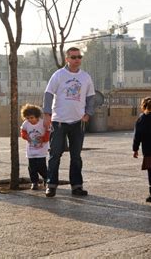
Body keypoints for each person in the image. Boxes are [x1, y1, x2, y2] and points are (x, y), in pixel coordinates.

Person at [43, 47, 95, 198]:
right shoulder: (59, 75)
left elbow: (91, 97)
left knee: (76, 157)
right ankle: (51, 185)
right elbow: (48, 94)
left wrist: (88, 114)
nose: (77, 59)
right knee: (55, 155)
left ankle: (77, 186)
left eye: (79, 57)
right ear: (67, 59)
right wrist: (47, 114)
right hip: (59, 121)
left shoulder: (85, 77)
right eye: (73, 57)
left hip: (78, 122)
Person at [20, 104, 50, 190]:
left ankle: (46, 178)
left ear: (37, 116)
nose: (30, 120)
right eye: (27, 118)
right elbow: (23, 131)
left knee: (41, 167)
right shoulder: (26, 123)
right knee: (32, 168)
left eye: (32, 118)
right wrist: (26, 136)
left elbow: (48, 132)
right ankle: (34, 182)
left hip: (41, 151)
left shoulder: (43, 123)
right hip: (31, 150)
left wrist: (43, 139)